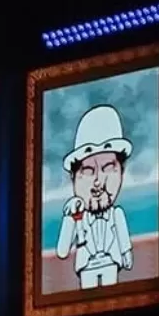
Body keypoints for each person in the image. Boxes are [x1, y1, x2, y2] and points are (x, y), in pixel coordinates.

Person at [55, 105, 134, 288]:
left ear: (121, 172)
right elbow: (62, 251)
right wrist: (70, 218)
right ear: (74, 178)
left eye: (107, 168)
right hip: (86, 266)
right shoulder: (77, 216)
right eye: (89, 171)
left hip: (111, 263)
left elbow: (123, 239)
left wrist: (126, 253)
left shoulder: (117, 214)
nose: (98, 181)